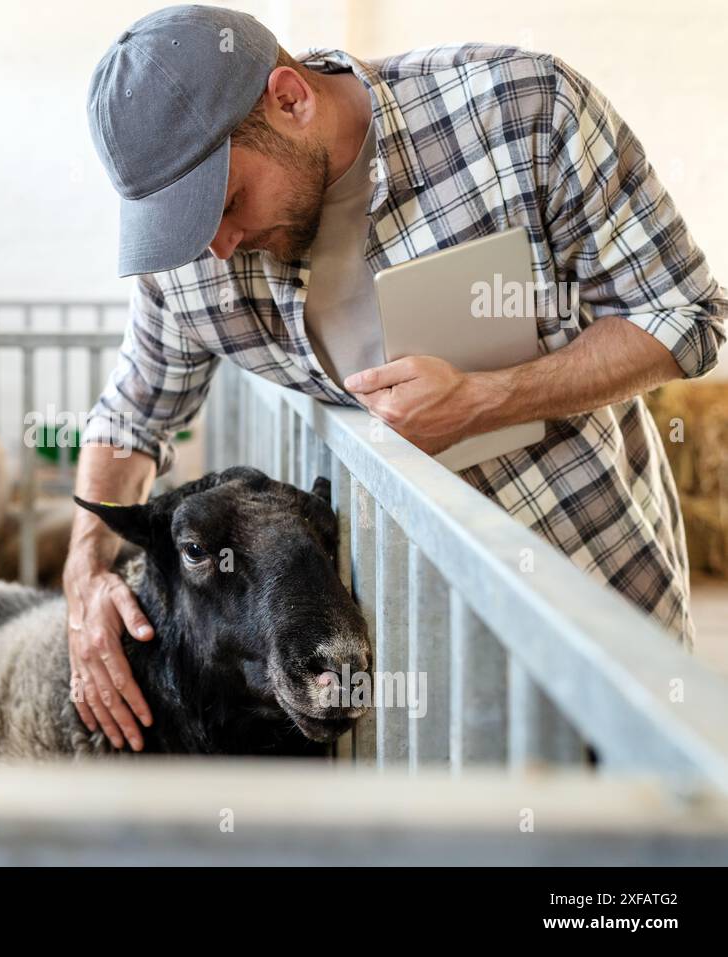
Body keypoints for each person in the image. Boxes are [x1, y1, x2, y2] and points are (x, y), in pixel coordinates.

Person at [63, 4, 726, 751]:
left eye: (227, 203)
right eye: (184, 229)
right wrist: (85, 568)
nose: (217, 247)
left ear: (291, 98)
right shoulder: (190, 268)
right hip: (401, 667)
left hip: (594, 599)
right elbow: (130, 417)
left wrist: (488, 398)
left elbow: (688, 315)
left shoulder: (522, 111)